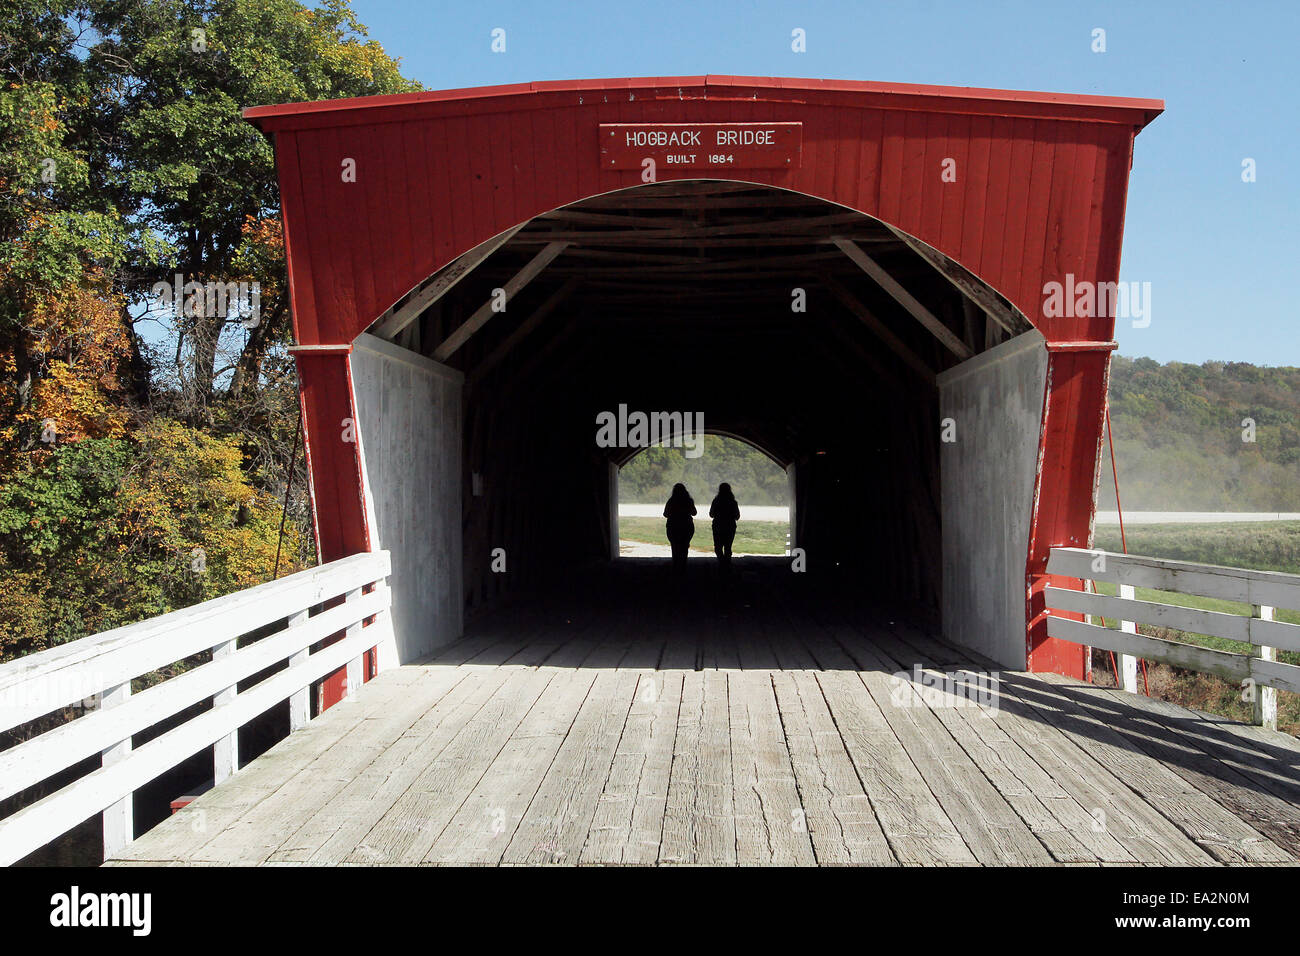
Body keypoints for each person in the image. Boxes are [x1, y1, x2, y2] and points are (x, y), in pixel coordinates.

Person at [663, 483, 696, 576]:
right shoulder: (689, 500)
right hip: (687, 527)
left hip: (673, 527)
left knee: (675, 548)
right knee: (684, 548)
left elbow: (665, 514)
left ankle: (676, 569)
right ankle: (683, 569)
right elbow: (694, 513)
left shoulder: (671, 501)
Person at [709, 482, 741, 572]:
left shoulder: (716, 501)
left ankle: (722, 564)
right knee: (728, 547)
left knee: (718, 548)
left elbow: (711, 514)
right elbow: (737, 516)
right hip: (730, 527)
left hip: (718, 526)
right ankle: (726, 566)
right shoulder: (733, 502)